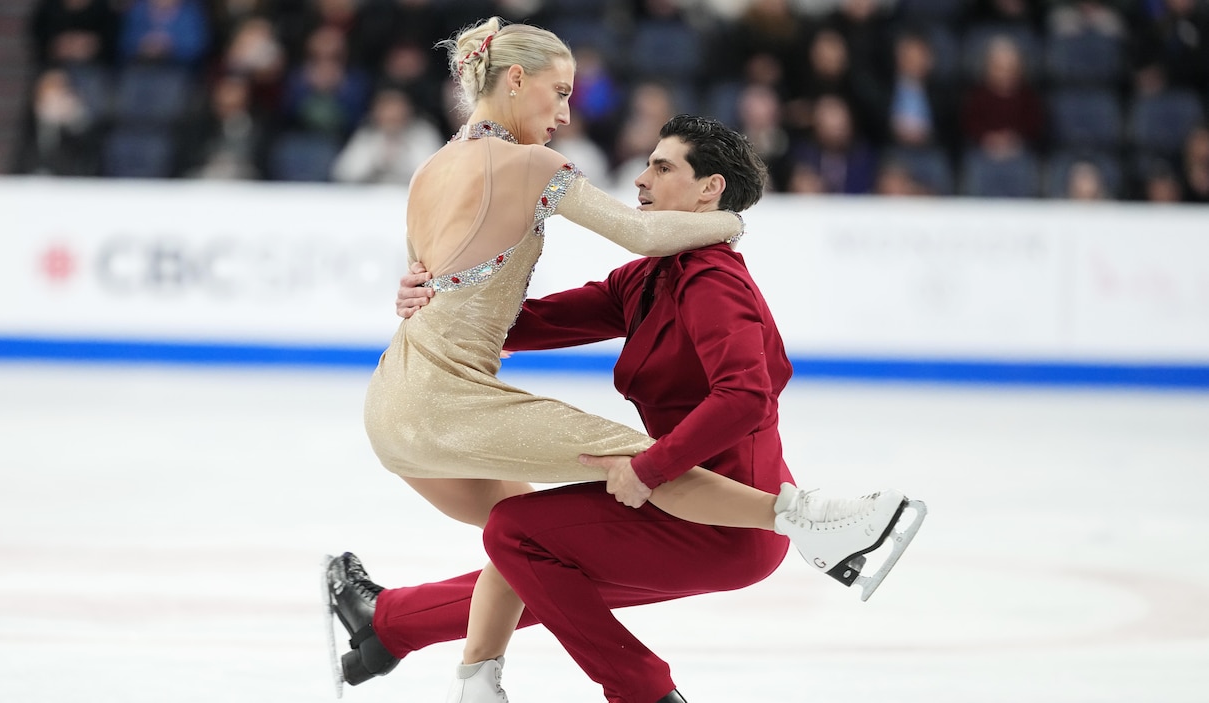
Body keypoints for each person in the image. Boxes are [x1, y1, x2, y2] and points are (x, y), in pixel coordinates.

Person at [325, 17, 925, 700]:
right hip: (658, 490)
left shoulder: (709, 280)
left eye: (661, 167)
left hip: (704, 504)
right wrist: (430, 295)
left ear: (708, 191)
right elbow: (560, 287)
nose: (638, 175)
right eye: (561, 92)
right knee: (524, 537)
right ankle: (801, 538)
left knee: (524, 540)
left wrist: (648, 465)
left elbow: (742, 395)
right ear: (516, 81)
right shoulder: (641, 276)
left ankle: (401, 633)